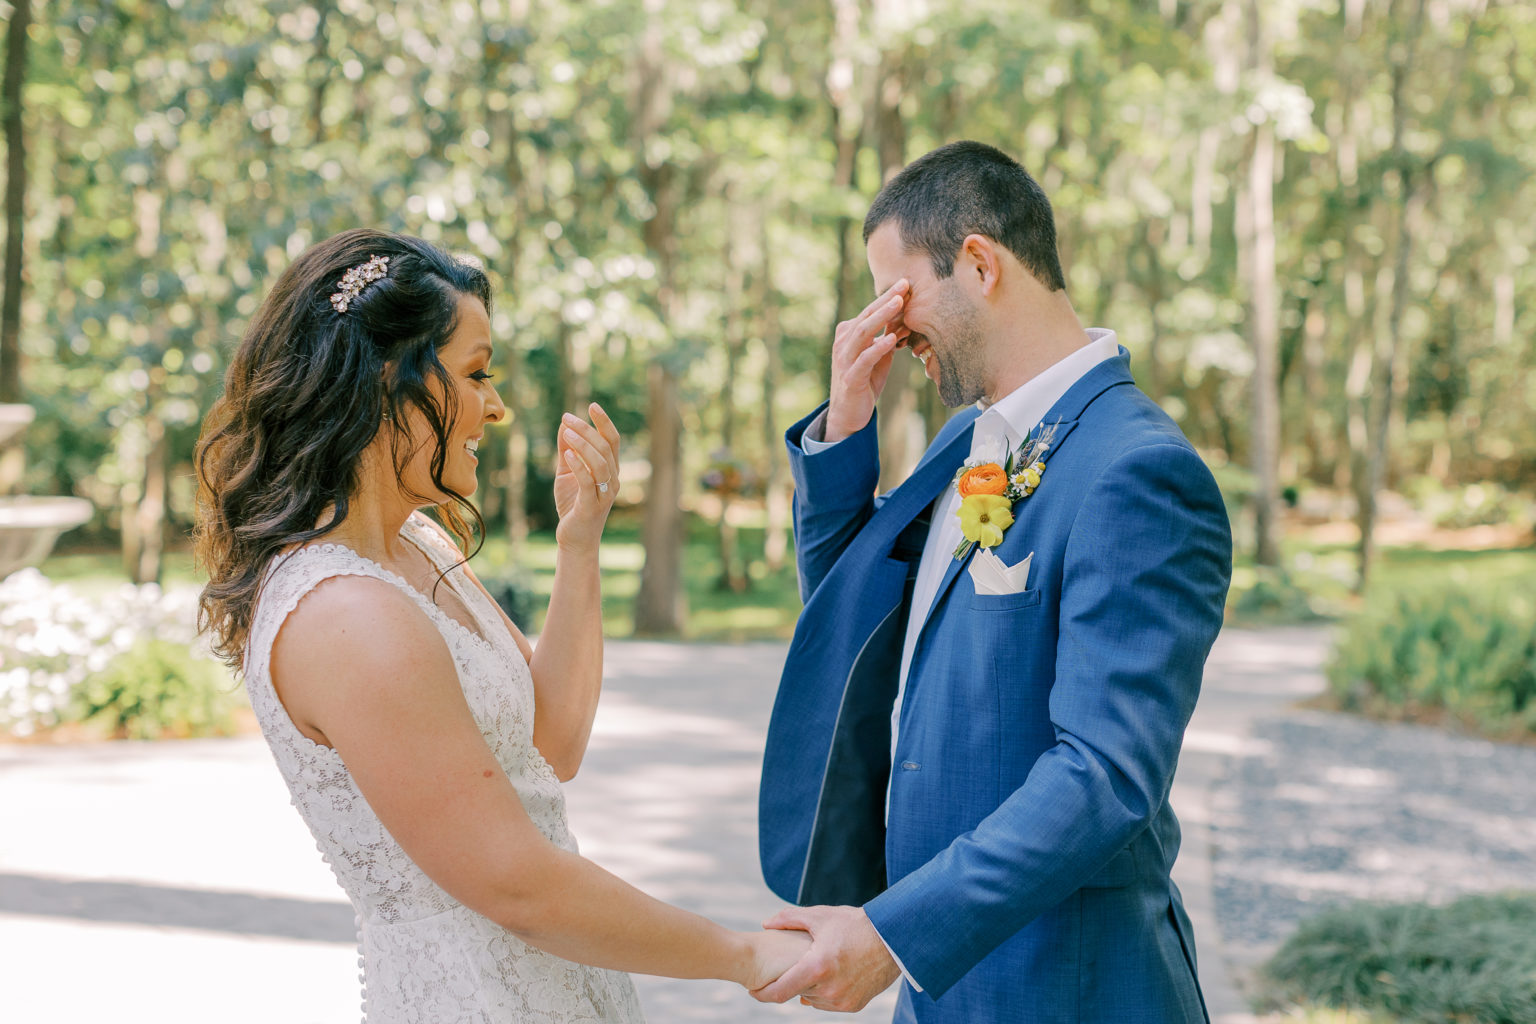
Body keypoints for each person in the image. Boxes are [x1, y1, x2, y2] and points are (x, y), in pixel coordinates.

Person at [194, 228, 807, 1023]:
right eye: (476, 373)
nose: (497, 404)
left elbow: (552, 746)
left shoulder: (419, 544)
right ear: (387, 380)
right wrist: (747, 956)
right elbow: (517, 883)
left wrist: (578, 545)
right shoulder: (347, 614)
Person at [753, 141, 1233, 1023]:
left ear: (978, 263)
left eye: (900, 293)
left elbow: (1104, 775)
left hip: (1066, 985)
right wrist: (845, 431)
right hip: (948, 988)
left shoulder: (1137, 471)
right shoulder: (968, 442)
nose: (889, 326)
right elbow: (860, 630)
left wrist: (896, 935)